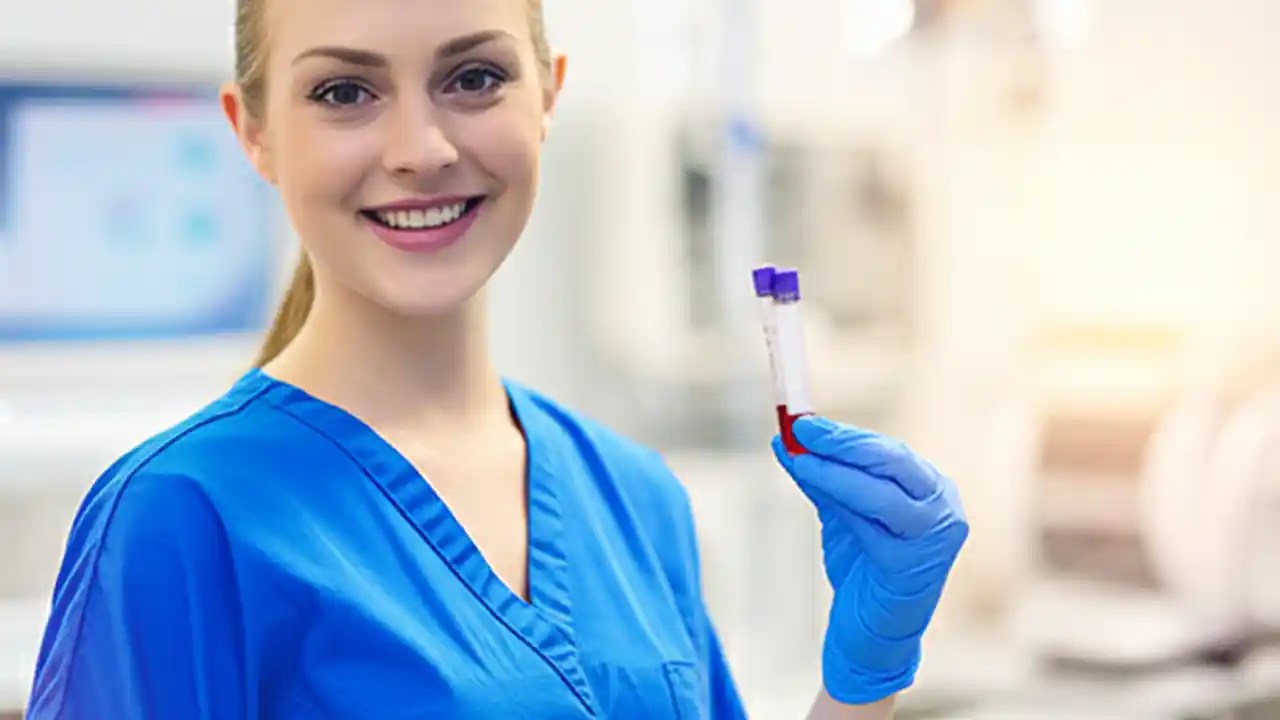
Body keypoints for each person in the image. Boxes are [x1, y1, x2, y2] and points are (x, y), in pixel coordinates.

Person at [26, 0, 968, 717]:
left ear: (548, 95)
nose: (421, 150)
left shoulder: (634, 497)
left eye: (473, 78)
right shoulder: (180, 519)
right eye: (344, 92)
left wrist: (864, 678)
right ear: (254, 133)